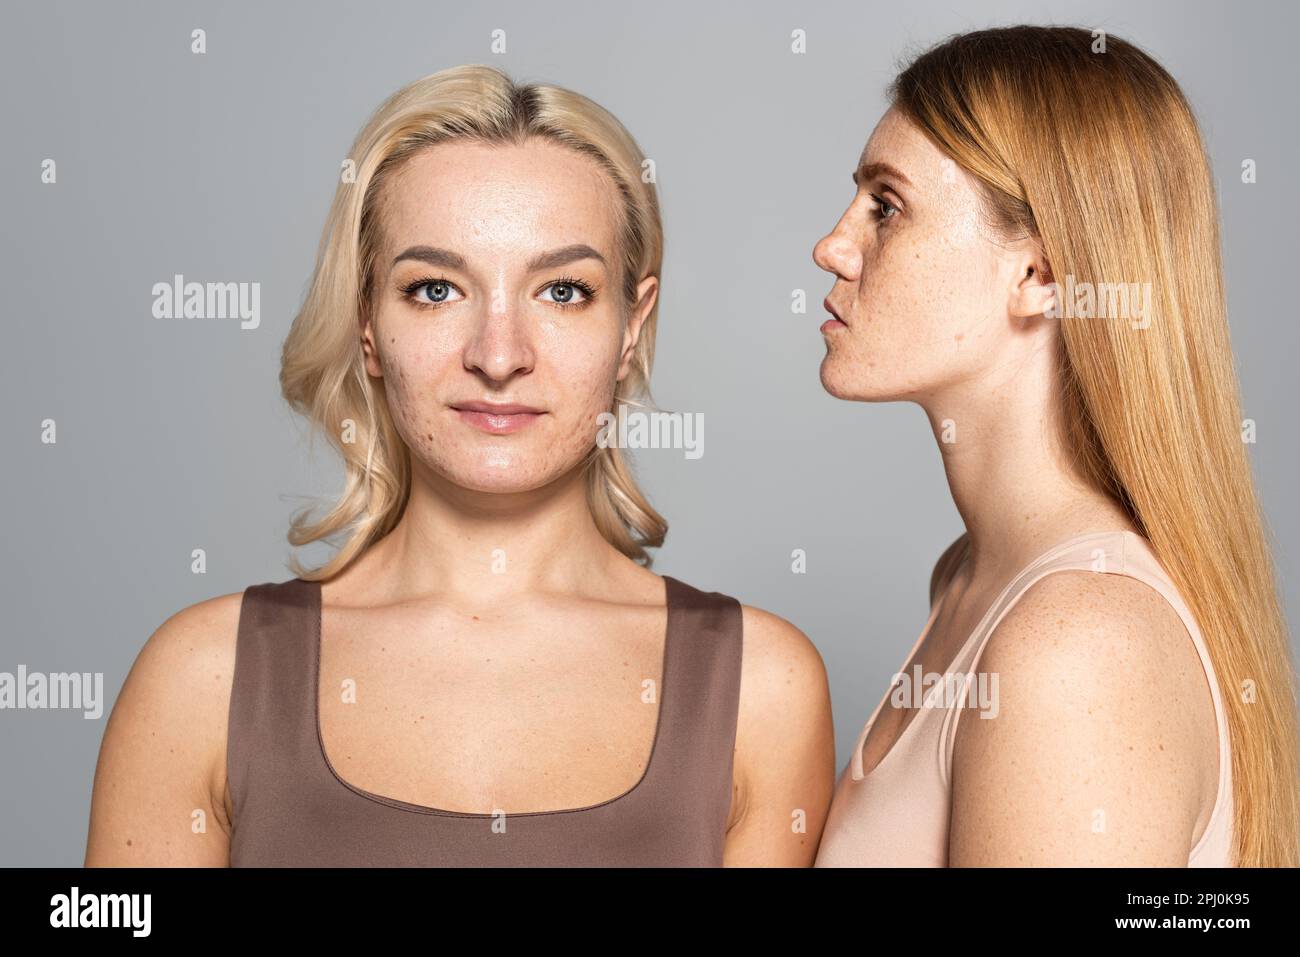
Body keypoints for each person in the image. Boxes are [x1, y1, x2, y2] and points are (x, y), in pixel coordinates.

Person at [85, 64, 835, 867]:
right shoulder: (200, 679)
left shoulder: (763, 688)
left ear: (630, 323)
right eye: (437, 289)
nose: (499, 354)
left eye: (564, 291)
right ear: (367, 321)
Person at [811, 25, 1299, 867]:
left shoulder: (1078, 642)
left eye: (886, 206)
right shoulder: (970, 575)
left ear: (1038, 276)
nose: (833, 246)